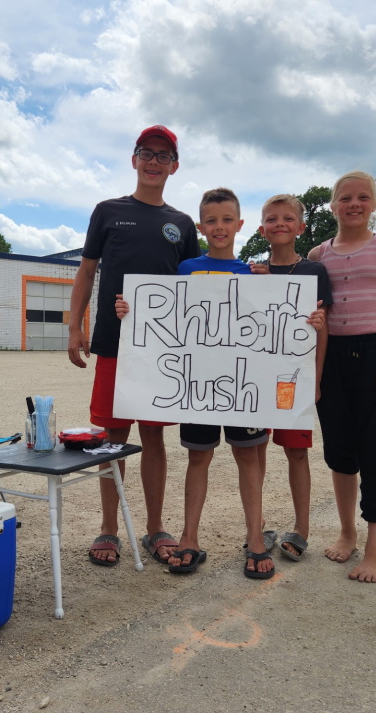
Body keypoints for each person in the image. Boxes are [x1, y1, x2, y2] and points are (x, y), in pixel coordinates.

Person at [118, 187, 274, 578]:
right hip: (197, 385)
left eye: (226, 220)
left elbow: (273, 327)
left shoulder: (255, 275)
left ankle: (255, 538)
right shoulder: (185, 270)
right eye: (211, 221)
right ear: (200, 226)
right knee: (198, 457)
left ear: (239, 225)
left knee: (248, 457)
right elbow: (166, 317)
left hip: (241, 384)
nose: (219, 227)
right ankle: (190, 537)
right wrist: (131, 309)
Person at [68, 125, 200, 567]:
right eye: (147, 153)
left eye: (164, 156)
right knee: (112, 439)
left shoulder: (181, 224)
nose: (154, 162)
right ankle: (109, 528)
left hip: (161, 351)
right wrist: (75, 327)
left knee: (155, 437)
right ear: (134, 159)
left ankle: (154, 528)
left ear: (174, 167)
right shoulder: (108, 212)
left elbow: (196, 288)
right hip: (114, 343)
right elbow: (86, 273)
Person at [307, 171, 376, 583]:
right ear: (332, 205)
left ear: (374, 204)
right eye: (345, 198)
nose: (354, 204)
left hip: (373, 355)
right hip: (331, 358)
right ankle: (347, 532)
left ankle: (375, 548)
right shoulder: (318, 255)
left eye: (362, 197)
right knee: (340, 451)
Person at [253, 194, 333, 563]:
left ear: (300, 228)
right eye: (272, 219)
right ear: (262, 228)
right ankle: (257, 526)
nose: (279, 224)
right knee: (253, 452)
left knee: (296, 452)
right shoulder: (250, 273)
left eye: (287, 218)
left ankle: (301, 529)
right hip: (253, 378)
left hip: (293, 379)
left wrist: (315, 379)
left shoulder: (314, 273)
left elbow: (322, 328)